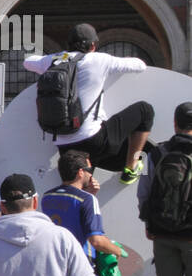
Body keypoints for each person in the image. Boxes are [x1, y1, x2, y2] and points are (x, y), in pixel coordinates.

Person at [23, 23, 152, 183]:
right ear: (92, 45)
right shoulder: (99, 60)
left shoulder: (54, 60)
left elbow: (28, 61)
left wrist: (60, 56)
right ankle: (130, 169)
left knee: (80, 186)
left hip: (64, 144)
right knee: (145, 111)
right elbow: (140, 65)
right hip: (94, 139)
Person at [41, 150, 125, 276]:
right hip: (80, 270)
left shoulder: (47, 196)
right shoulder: (87, 201)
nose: (90, 174)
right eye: (89, 170)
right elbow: (96, 240)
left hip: (53, 269)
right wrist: (118, 251)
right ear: (80, 172)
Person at [139, 101, 192, 276]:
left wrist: (149, 224)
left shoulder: (158, 152)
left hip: (162, 232)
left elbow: (144, 192)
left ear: (175, 123)